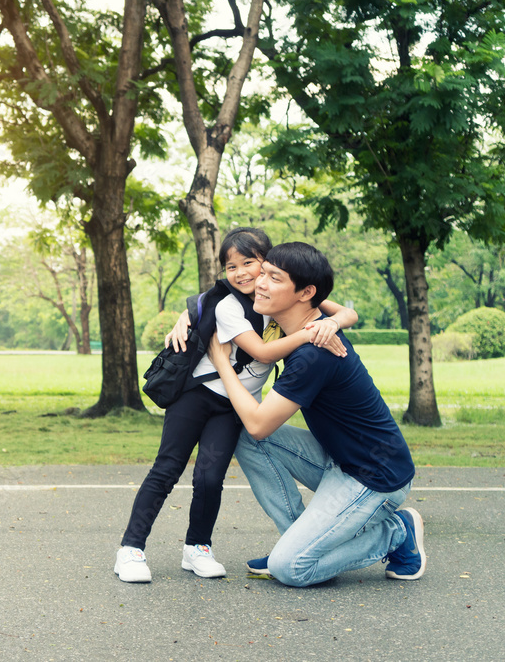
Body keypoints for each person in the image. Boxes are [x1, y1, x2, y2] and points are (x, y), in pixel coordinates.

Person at [114, 228, 359, 583]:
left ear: (269, 264)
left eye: (250, 262)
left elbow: (348, 314)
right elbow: (260, 352)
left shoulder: (280, 298)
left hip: (235, 406)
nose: (242, 272)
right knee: (167, 468)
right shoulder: (228, 306)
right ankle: (131, 549)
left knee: (210, 477)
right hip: (196, 396)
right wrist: (309, 333)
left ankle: (197, 547)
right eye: (231, 267)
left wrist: (331, 323)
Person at [206, 241, 425, 587]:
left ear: (305, 293)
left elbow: (260, 423)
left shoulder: (313, 355)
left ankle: (397, 532)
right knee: (244, 438)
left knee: (292, 568)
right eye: (262, 273)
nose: (259, 283)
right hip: (339, 460)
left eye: (273, 278)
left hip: (375, 478)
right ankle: (300, 541)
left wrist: (221, 362)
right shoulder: (305, 325)